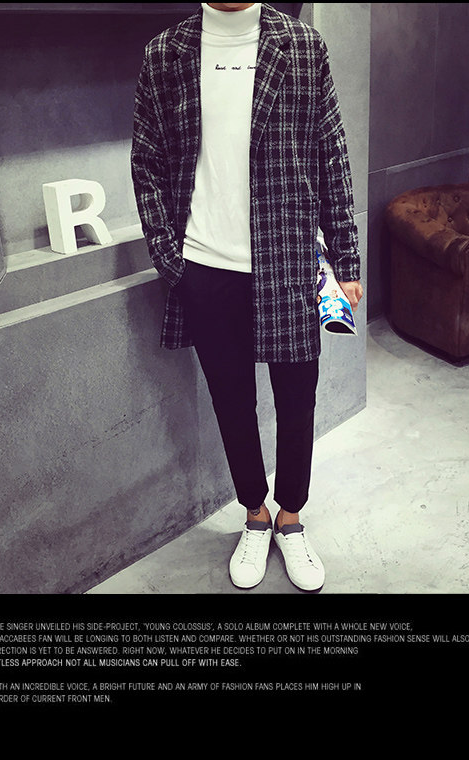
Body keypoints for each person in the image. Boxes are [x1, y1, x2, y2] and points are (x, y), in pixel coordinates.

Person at [131, 2, 362, 592]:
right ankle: (255, 515)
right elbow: (147, 164)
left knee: (297, 401)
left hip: (288, 261)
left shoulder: (302, 46)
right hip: (205, 267)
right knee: (232, 403)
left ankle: (291, 518)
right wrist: (170, 259)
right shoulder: (165, 53)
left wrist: (345, 259)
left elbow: (331, 154)